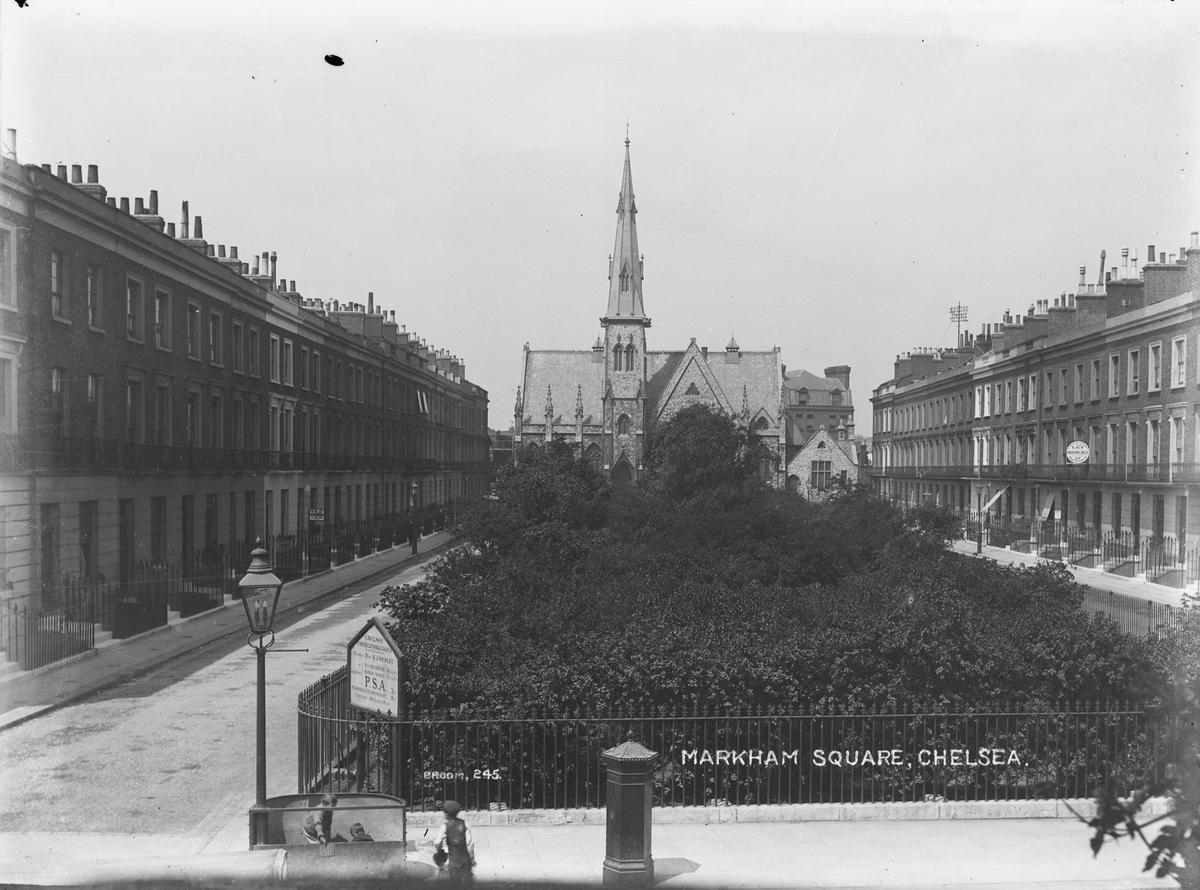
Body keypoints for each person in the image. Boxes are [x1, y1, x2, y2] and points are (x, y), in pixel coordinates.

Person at [431, 800, 475, 885]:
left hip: (454, 861)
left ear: (446, 814)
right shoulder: (465, 823)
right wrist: (472, 858)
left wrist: (439, 850)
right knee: (467, 883)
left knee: (455, 883)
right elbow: (471, 843)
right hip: (465, 859)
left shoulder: (445, 826)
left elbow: (437, 843)